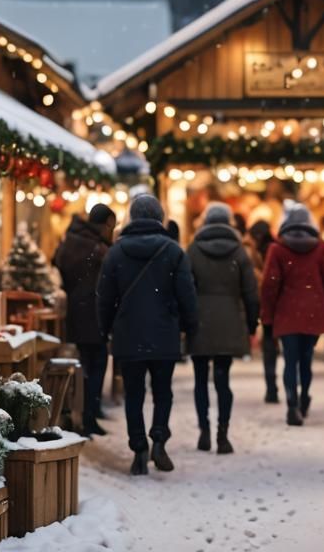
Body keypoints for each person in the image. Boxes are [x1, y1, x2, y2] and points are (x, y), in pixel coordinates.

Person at [97, 194, 198, 476]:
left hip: (128, 333)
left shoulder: (116, 252)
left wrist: (105, 328)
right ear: (160, 217)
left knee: (134, 393)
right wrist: (190, 327)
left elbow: (104, 297)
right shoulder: (173, 251)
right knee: (162, 391)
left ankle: (138, 447)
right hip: (164, 332)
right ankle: (159, 436)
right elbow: (187, 294)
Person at [187, 203, 259, 454]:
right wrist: (251, 323)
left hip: (200, 322)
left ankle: (204, 431)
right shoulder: (239, 252)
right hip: (228, 321)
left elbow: (185, 288)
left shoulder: (194, 250)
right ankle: (222, 433)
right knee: (222, 380)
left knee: (200, 380)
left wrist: (186, 322)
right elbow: (250, 291)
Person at [260, 202, 324, 426]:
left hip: (287, 311)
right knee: (306, 360)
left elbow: (269, 284)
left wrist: (268, 312)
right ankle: (304, 398)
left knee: (289, 360)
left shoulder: (277, 249)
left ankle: (292, 403)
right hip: (313, 310)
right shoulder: (321, 248)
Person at [53, 204, 116, 436]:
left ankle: (89, 413)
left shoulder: (72, 240)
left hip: (76, 310)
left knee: (87, 365)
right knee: (96, 363)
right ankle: (88, 416)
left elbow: (58, 264)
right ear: (107, 222)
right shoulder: (97, 247)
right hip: (92, 311)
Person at [246, 220, 280, 403]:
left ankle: (271, 387)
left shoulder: (269, 250)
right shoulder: (276, 247)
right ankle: (273, 387)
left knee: (269, 347)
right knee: (271, 346)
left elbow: (268, 278)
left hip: (269, 303)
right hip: (277, 304)